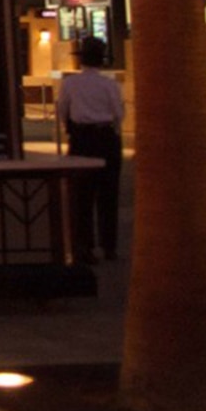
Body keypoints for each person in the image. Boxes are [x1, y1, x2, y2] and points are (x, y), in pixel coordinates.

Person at [58, 36, 124, 264]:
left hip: (81, 139)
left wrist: (71, 129)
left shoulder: (70, 84)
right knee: (109, 195)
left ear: (81, 60)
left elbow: (62, 111)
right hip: (106, 139)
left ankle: (83, 247)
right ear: (101, 61)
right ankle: (109, 247)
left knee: (80, 196)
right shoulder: (110, 84)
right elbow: (118, 114)